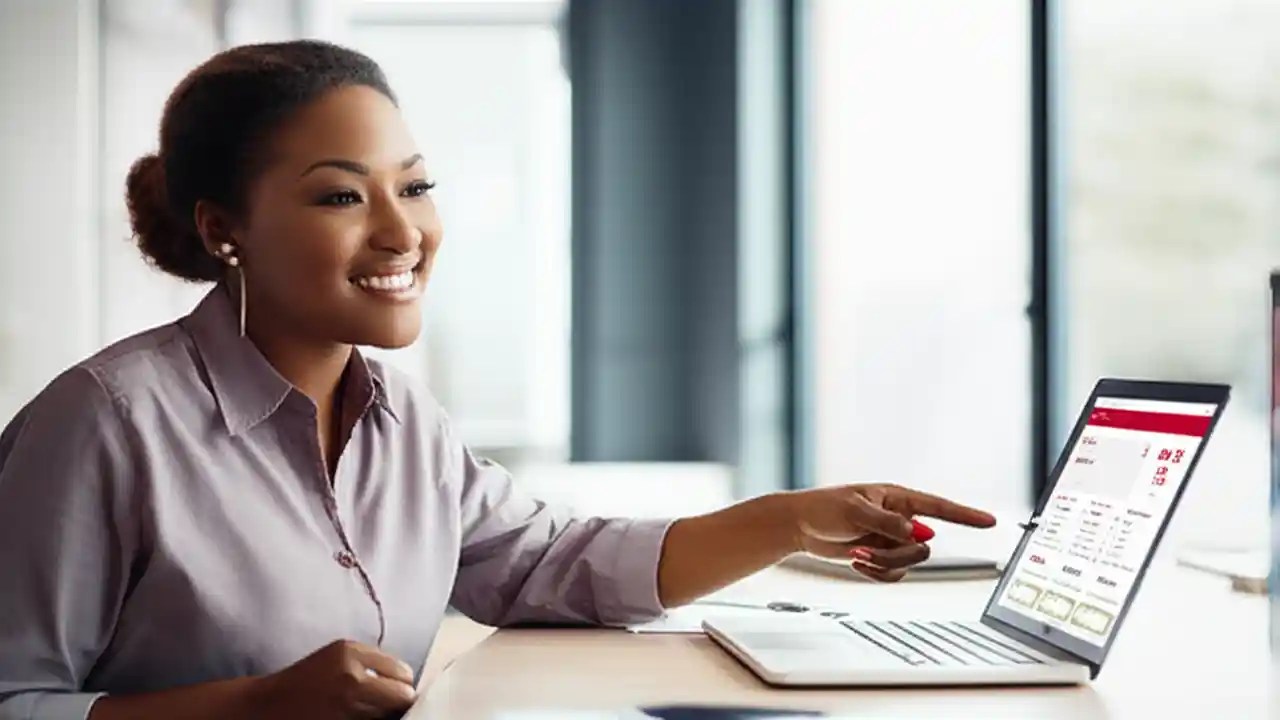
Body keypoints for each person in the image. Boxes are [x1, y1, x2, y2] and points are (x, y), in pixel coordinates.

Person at [0, 40, 996, 720]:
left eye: (415, 186)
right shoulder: (103, 425)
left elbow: (548, 562)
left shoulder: (401, 419)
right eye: (341, 197)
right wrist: (252, 708)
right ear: (225, 229)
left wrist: (790, 520)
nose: (402, 232)